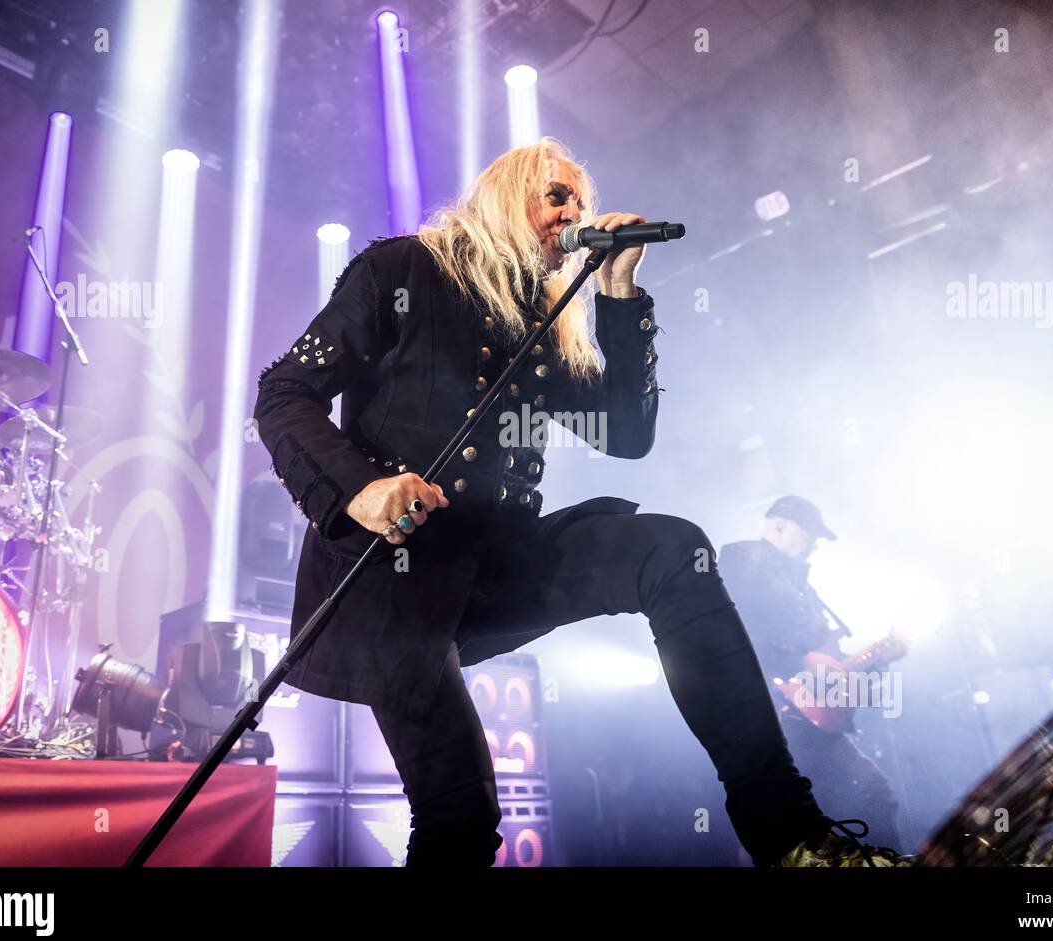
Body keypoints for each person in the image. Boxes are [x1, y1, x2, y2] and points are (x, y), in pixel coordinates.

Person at [253, 137, 901, 867]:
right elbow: (283, 392)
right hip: (391, 582)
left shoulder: (543, 322)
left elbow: (625, 433)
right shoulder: (401, 269)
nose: (575, 213)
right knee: (461, 818)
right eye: (556, 196)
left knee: (669, 545)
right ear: (505, 197)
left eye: (582, 202)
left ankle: (790, 836)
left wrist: (621, 294)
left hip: (494, 561)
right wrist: (364, 489)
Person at [719, 495, 905, 852]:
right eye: (810, 534)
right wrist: (799, 661)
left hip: (810, 718)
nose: (815, 545)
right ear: (777, 525)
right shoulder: (742, 563)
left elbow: (829, 664)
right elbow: (735, 634)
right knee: (791, 819)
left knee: (868, 797)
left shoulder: (806, 591)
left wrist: (880, 658)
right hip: (770, 715)